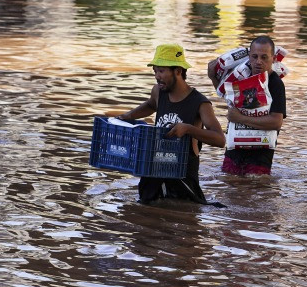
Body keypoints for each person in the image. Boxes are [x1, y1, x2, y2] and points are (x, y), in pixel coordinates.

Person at [116, 44, 226, 204]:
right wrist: (128, 116)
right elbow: (150, 105)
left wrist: (188, 129)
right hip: (154, 172)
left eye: (161, 71)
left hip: (182, 179)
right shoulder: (158, 92)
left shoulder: (200, 103)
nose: (157, 76)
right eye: (155, 71)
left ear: (178, 71)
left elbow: (220, 139)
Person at [221, 35, 287, 175]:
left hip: (259, 157)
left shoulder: (275, 84)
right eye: (255, 56)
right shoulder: (241, 78)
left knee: (256, 190)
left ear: (273, 59)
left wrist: (240, 118)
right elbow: (225, 96)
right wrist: (212, 76)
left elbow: (276, 122)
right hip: (234, 152)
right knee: (228, 189)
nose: (258, 62)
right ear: (249, 58)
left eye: (264, 57)